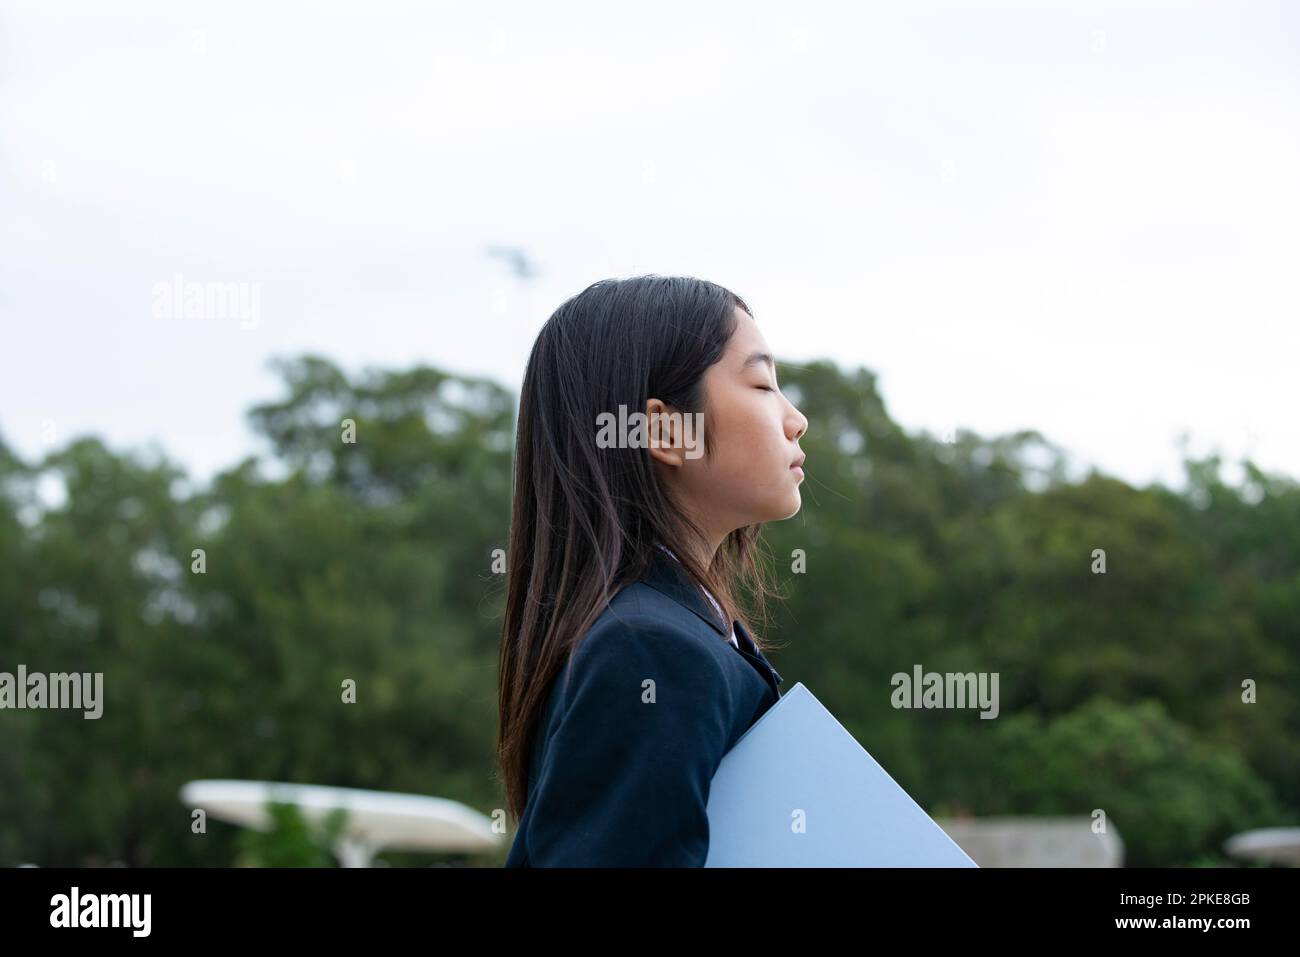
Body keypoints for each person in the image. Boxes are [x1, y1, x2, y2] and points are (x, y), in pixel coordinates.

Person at [496, 275, 809, 866]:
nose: (795, 420)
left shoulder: (669, 633)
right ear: (667, 431)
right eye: (764, 384)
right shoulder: (650, 649)